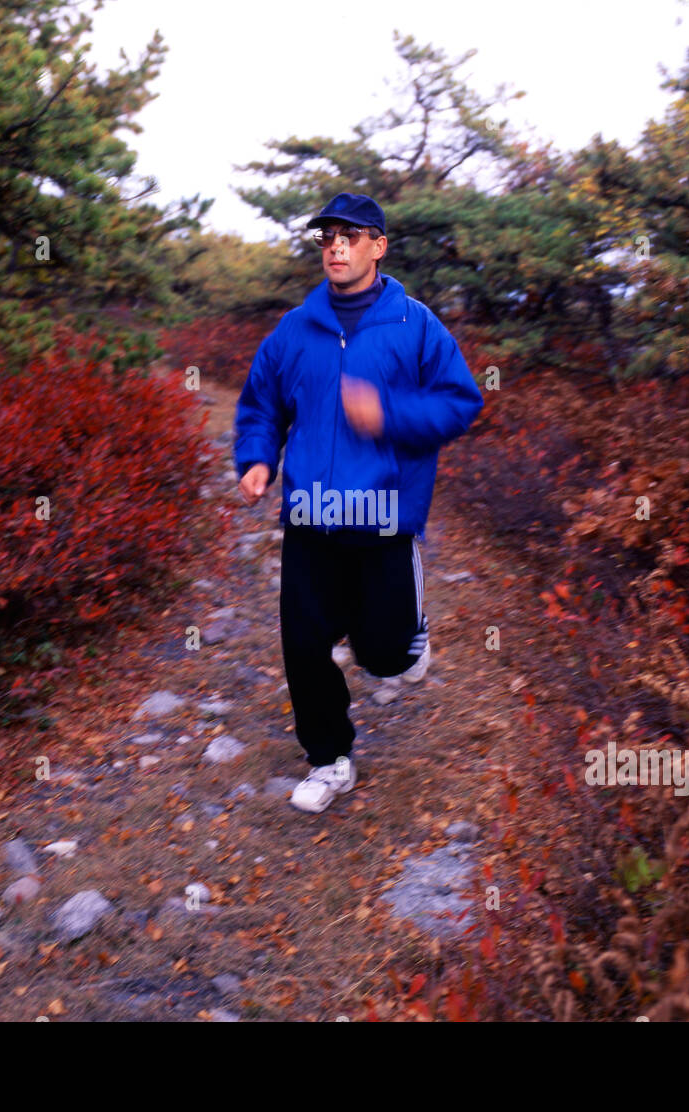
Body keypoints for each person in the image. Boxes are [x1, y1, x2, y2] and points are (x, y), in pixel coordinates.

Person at [232, 191, 483, 813]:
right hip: (311, 516)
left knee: (383, 654)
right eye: (326, 237)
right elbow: (261, 403)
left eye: (350, 235)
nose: (335, 246)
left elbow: (461, 403)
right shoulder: (296, 329)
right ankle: (330, 760)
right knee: (304, 642)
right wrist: (258, 458)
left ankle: (411, 635)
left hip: (383, 516)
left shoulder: (416, 323)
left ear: (379, 246)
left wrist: (388, 414)